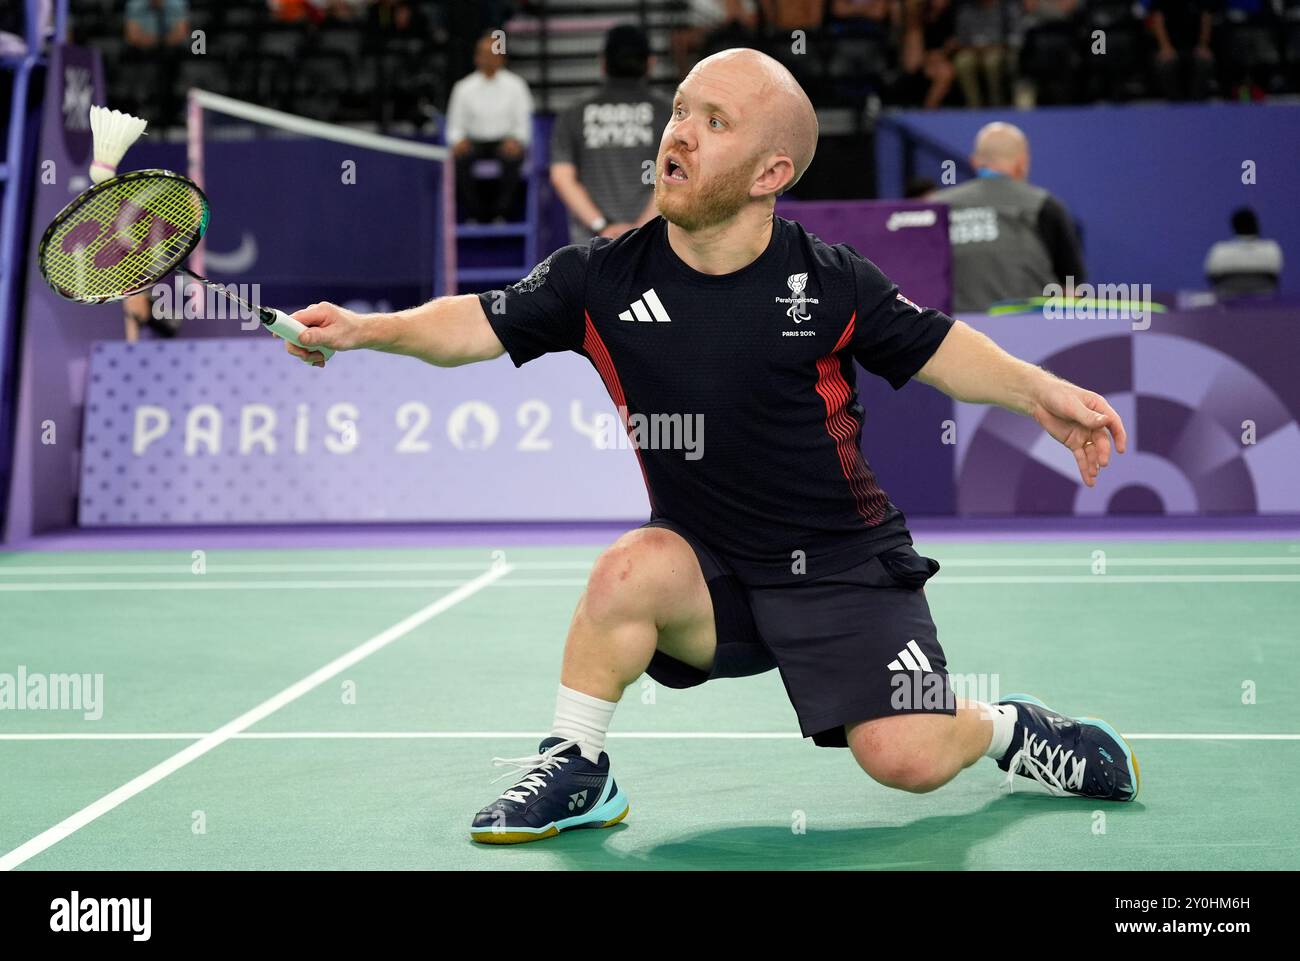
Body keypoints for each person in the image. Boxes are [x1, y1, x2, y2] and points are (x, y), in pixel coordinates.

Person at [286, 49, 1138, 845]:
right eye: (681, 111)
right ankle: (577, 763)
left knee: (905, 756)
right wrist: (367, 330)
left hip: (845, 566)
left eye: (715, 122)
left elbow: (943, 350)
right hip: (710, 577)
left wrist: (1044, 394)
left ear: (772, 173)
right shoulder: (602, 276)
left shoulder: (829, 278)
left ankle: (1008, 727)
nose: (680, 133)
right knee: (627, 566)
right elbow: (477, 319)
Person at [932, 121, 1085, 312]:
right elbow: (1072, 287)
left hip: (954, 334)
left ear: (975, 162)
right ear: (1022, 163)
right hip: (1032, 334)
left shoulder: (935, 208)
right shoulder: (1044, 205)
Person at [550, 25, 673, 244]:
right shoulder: (670, 113)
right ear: (650, 63)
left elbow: (562, 178)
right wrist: (639, 229)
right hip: (655, 240)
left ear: (603, 63)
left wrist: (601, 225)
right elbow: (676, 176)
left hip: (592, 244)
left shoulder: (573, 113)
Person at [445, 32, 534, 223]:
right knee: (460, 159)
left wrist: (517, 140)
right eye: (484, 53)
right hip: (474, 143)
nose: (488, 58)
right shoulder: (463, 88)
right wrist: (458, 141)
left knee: (512, 157)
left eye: (493, 53)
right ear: (476, 57)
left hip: (505, 142)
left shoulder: (516, 86)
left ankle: (502, 213)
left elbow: (524, 123)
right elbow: (455, 126)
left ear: (502, 57)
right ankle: (474, 214)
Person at [1204, 207, 1284, 298]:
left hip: (1228, 303)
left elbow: (1211, 277)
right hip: (1263, 303)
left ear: (1234, 227)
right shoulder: (1272, 249)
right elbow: (1275, 275)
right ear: (1257, 225)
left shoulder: (1219, 251)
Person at [1146, 0, 1215, 101]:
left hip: (1195, 47)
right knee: (1167, 64)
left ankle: (1197, 103)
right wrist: (1165, 47)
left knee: (1205, 61)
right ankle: (1176, 103)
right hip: (1168, 46)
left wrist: (1203, 45)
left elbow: (1206, 19)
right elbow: (1157, 20)